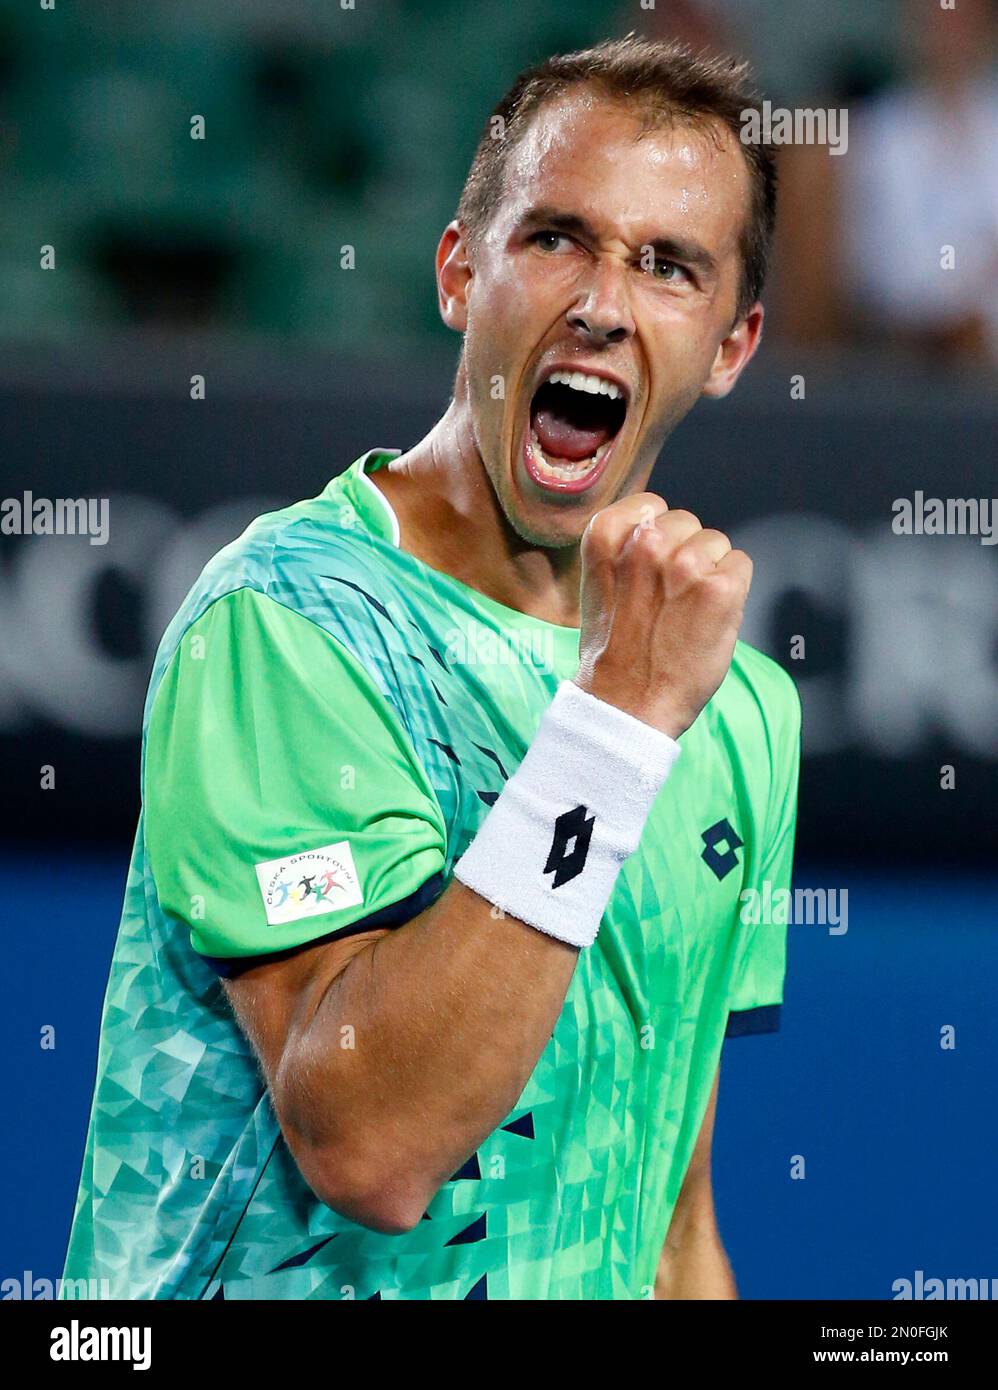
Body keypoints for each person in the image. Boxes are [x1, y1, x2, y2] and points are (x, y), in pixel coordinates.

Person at [62, 34, 801, 1301]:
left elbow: (670, 1220)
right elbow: (372, 1140)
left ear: (730, 348)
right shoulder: (284, 622)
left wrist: (643, 705)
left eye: (665, 265)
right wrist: (617, 723)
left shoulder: (734, 705)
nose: (602, 303)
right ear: (460, 272)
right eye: (555, 237)